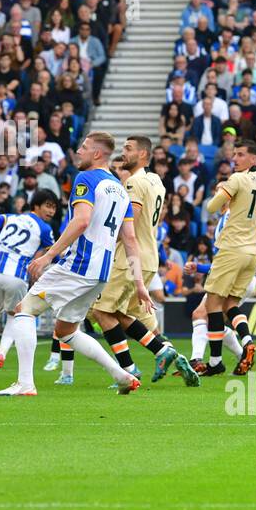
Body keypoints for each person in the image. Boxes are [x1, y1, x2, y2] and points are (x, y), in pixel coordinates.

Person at [0, 132, 153, 397]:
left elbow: (81, 221)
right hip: (101, 272)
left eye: (84, 147)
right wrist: (139, 284)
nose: (79, 151)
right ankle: (122, 374)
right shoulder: (120, 189)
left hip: (79, 265)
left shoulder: (86, 178)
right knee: (66, 330)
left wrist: (48, 255)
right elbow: (131, 239)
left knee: (23, 310)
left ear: (97, 154)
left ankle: (25, 383)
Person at [88, 136, 195, 385]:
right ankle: (169, 354)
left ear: (143, 155)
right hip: (148, 257)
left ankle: (130, 368)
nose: (123, 153)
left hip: (129, 258)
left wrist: (100, 242)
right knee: (129, 318)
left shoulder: (134, 183)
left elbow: (128, 225)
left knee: (101, 312)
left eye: (128, 149)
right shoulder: (155, 180)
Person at [190, 139, 256, 377]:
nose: (234, 158)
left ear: (253, 159)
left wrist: (221, 192)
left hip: (231, 251)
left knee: (213, 307)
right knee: (230, 305)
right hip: (252, 256)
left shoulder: (236, 180)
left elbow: (212, 207)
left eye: (240, 154)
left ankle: (215, 361)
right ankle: (247, 342)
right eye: (234, 154)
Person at [0, 189, 58, 368]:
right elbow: (55, 253)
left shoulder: (11, 217)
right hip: (16, 277)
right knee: (14, 316)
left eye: (54, 208)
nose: (51, 211)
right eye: (48, 206)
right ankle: (0, 354)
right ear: (36, 206)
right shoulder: (44, 228)